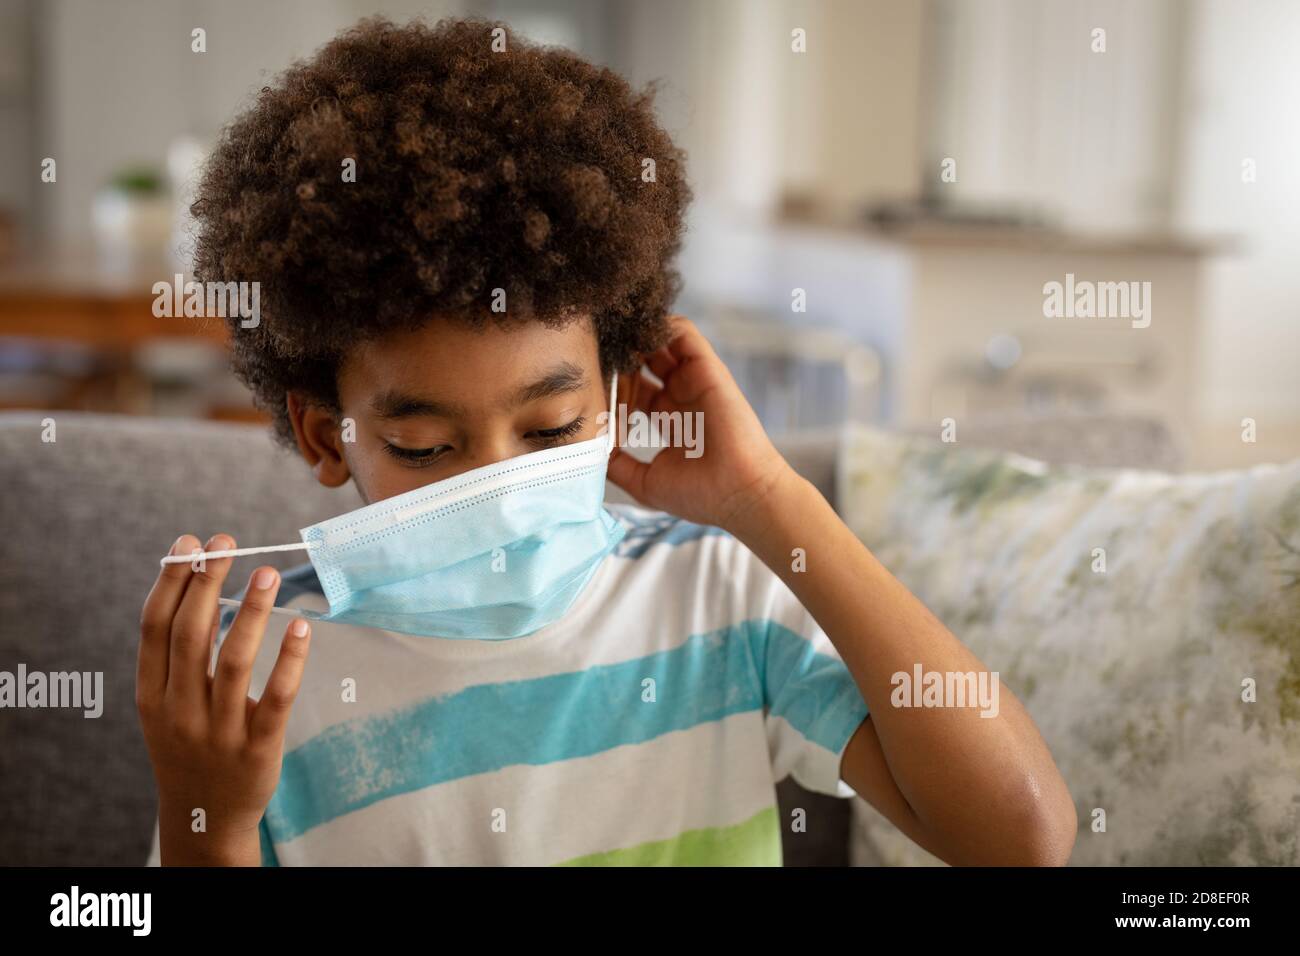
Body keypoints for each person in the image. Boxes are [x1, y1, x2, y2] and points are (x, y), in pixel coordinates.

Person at [139, 16, 1075, 866]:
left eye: (550, 429)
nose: (501, 492)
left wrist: (769, 499)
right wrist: (207, 820)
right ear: (325, 434)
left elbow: (1018, 838)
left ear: (619, 396)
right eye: (426, 447)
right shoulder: (252, 673)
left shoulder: (721, 598)